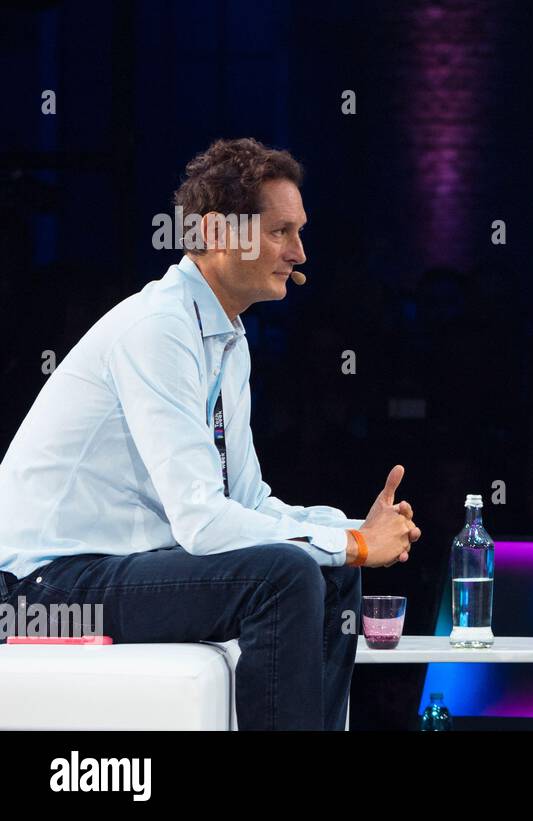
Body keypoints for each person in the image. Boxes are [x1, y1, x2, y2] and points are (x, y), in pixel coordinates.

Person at [0, 138, 421, 730]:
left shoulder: (225, 336)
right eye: (281, 232)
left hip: (107, 568)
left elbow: (245, 504)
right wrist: (353, 543)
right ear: (221, 233)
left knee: (326, 568)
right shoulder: (159, 328)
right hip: (39, 592)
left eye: (299, 232)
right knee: (286, 575)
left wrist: (351, 532)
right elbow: (202, 522)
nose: (299, 253)